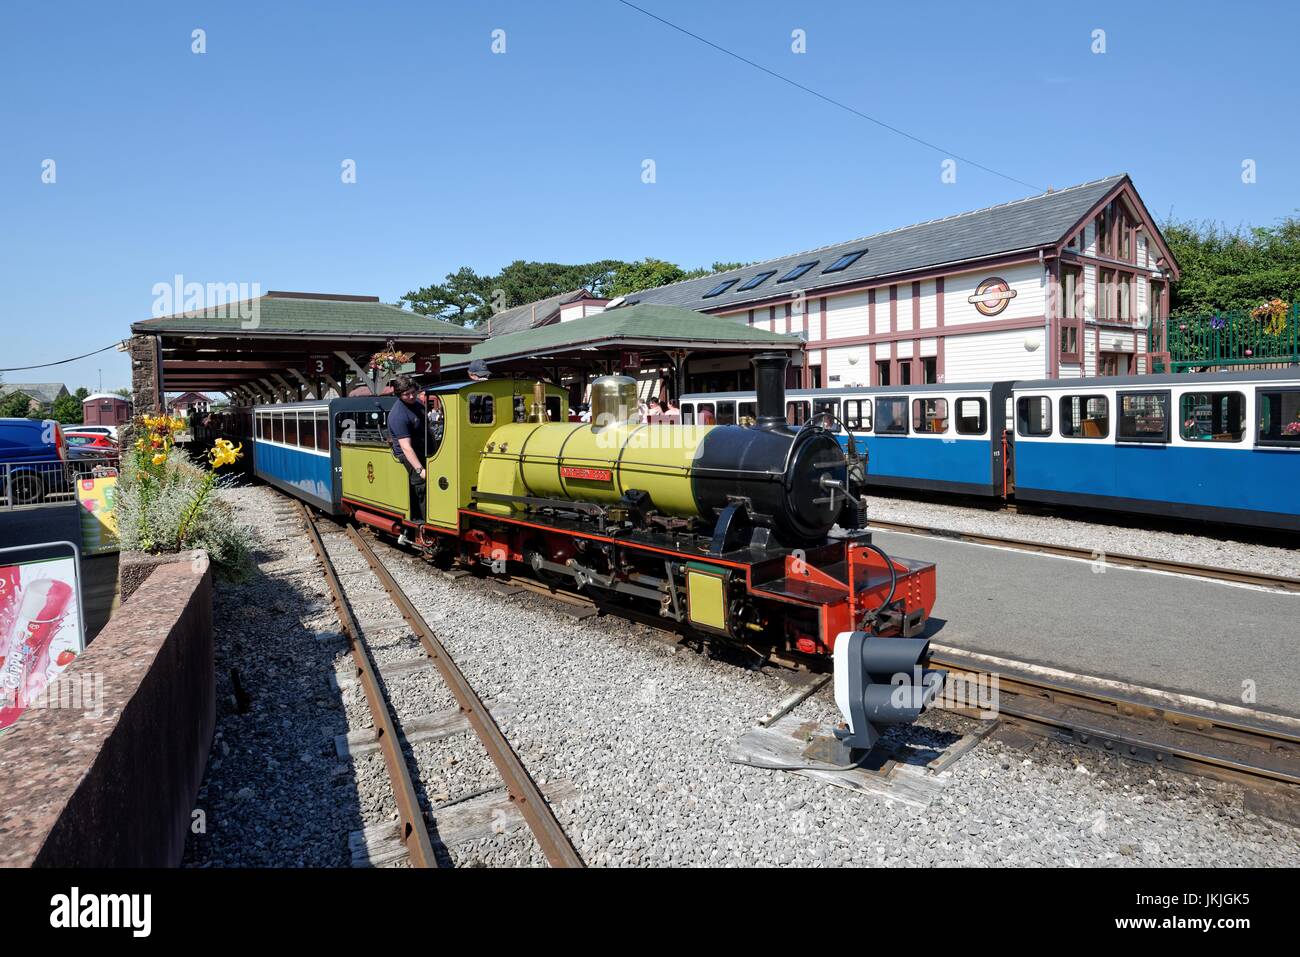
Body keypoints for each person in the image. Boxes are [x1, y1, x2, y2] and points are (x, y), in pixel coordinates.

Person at [387, 375, 428, 521]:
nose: (411, 396)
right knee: (421, 484)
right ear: (399, 395)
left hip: (422, 448)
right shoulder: (398, 415)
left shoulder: (417, 404)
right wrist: (420, 470)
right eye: (406, 394)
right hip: (408, 453)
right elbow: (406, 447)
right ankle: (422, 519)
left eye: (413, 392)